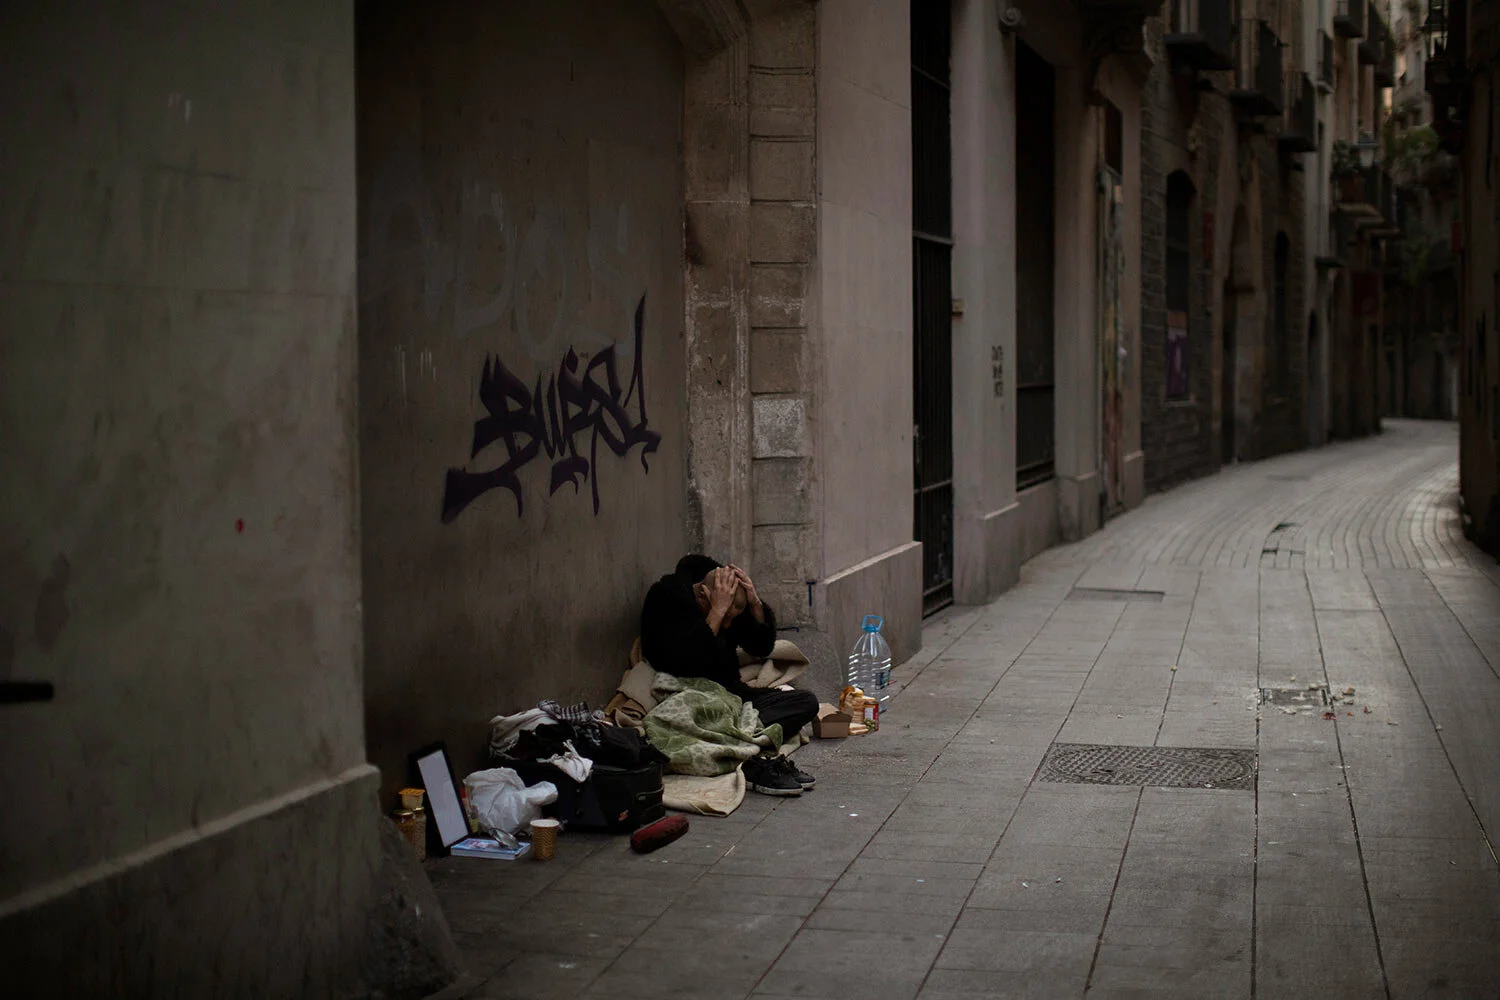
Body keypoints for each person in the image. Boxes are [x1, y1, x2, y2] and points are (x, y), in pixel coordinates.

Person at [640, 554, 819, 796]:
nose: (727, 625)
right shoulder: (665, 599)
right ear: (702, 595)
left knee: (805, 702)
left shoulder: (729, 598)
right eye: (725, 616)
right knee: (696, 723)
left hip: (731, 694)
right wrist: (716, 613)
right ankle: (752, 760)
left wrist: (755, 604)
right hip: (694, 693)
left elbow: (760, 647)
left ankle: (740, 744)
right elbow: (684, 663)